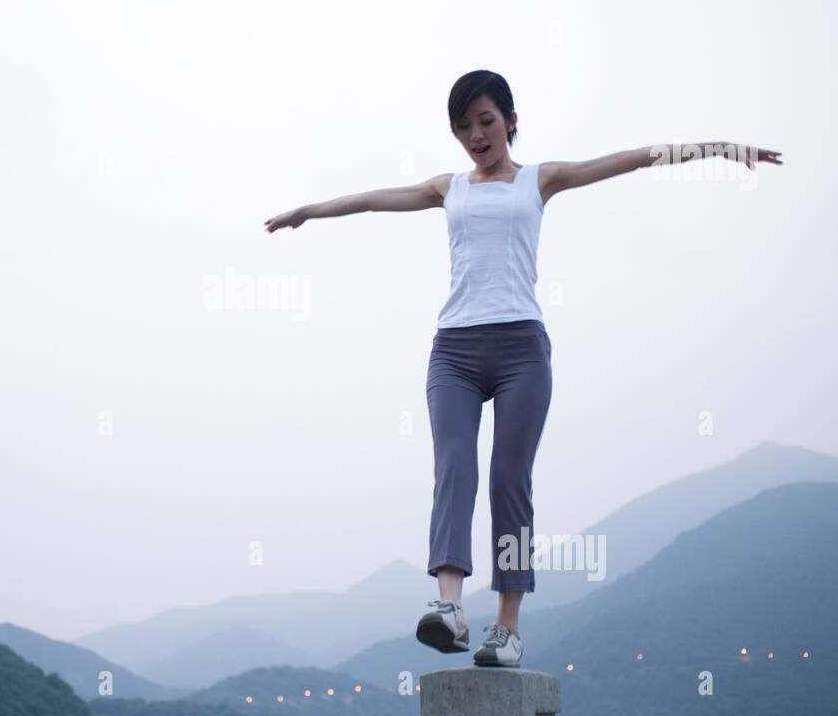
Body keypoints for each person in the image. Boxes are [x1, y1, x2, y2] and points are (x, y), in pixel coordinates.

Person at [264, 69, 781, 668]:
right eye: (463, 128)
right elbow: (372, 199)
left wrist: (720, 149)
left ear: (511, 120)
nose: (476, 136)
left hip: (520, 352)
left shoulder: (541, 180)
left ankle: (506, 628)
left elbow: (634, 159)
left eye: (486, 121)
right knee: (454, 464)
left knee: (510, 478)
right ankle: (449, 608)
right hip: (454, 351)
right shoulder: (447, 188)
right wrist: (307, 211)